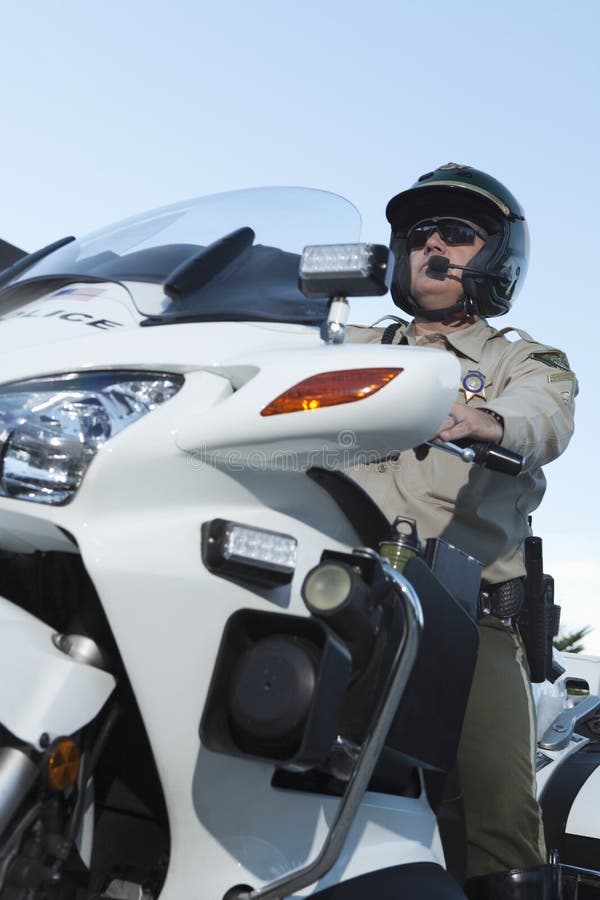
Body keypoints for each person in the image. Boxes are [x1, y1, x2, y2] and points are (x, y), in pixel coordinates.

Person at [346, 163, 577, 899]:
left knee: (500, 818)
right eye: (419, 234)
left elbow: (546, 417)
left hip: (464, 620)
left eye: (457, 232)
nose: (433, 246)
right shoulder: (347, 346)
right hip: (336, 598)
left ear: (497, 258)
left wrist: (487, 420)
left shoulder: (520, 361)